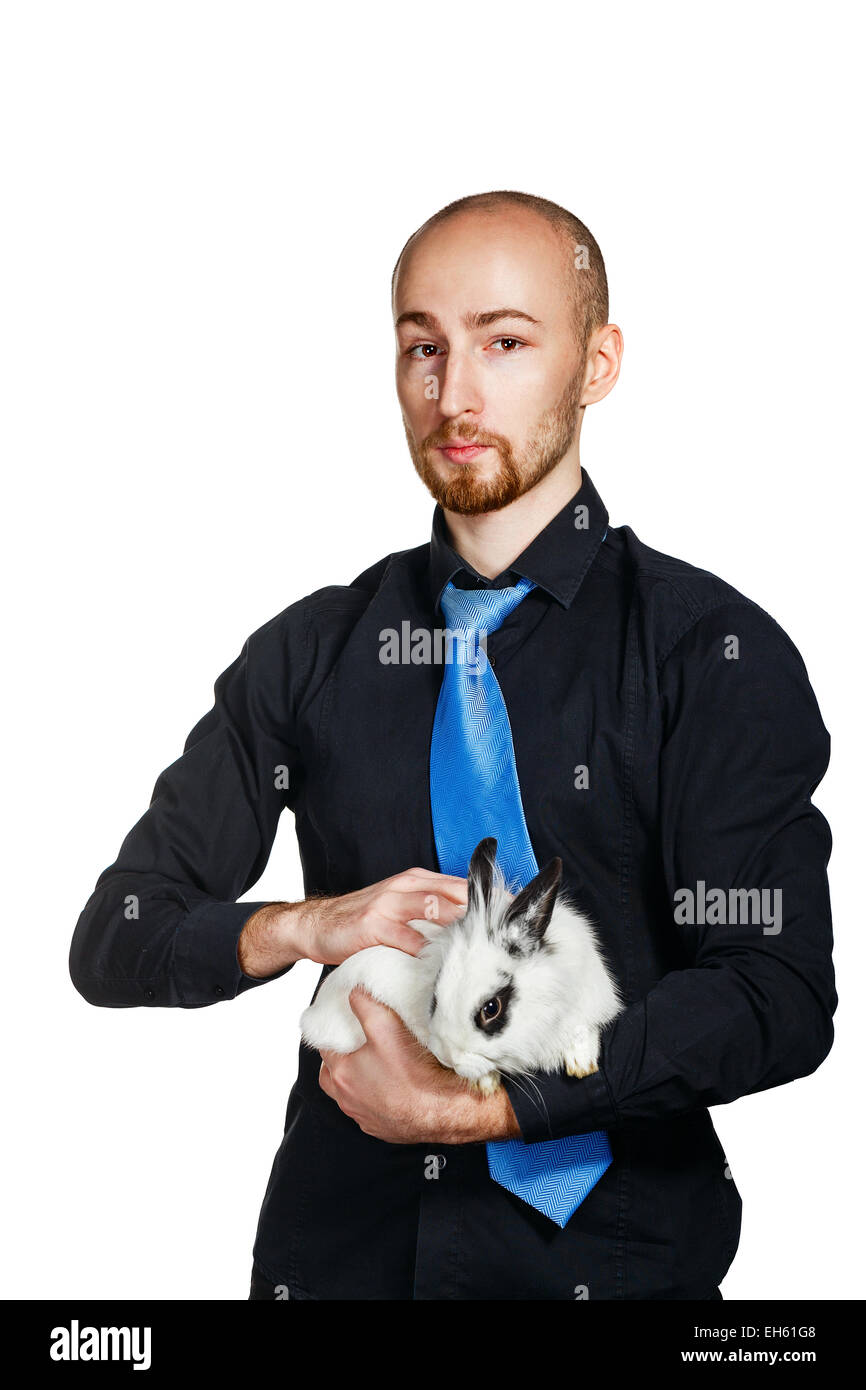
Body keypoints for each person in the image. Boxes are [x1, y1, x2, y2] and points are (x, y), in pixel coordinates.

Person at [70, 190, 835, 1300]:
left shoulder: (710, 653)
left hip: (613, 1272)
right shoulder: (309, 654)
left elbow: (775, 991)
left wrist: (491, 1104)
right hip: (340, 1264)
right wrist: (302, 923)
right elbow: (115, 935)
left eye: (504, 341)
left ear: (597, 363)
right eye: (421, 346)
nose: (453, 392)